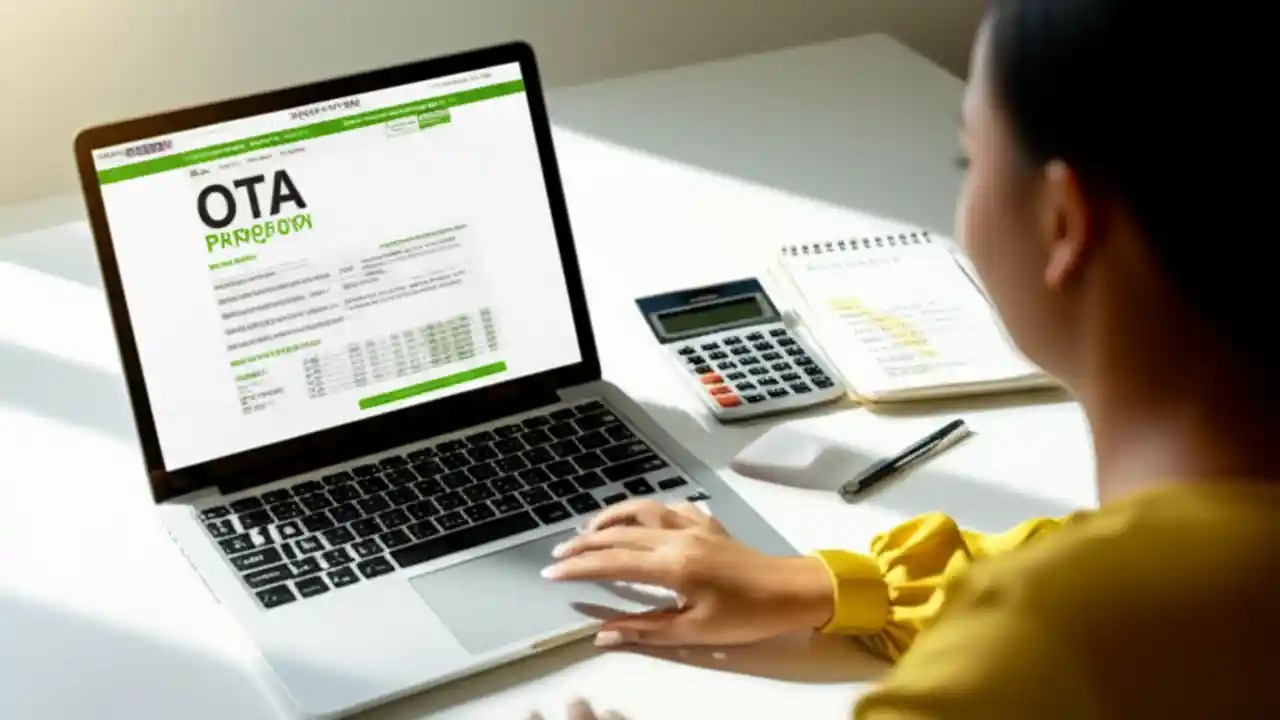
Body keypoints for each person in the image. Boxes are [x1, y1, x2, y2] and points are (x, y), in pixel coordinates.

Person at [533, 0, 1280, 717]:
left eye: (969, 159)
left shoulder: (1041, 653)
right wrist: (829, 583)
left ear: (1064, 222)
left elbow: (1075, 611)